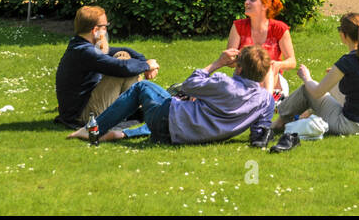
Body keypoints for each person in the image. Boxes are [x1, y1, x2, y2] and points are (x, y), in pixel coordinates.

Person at [68, 45, 276, 145]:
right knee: (172, 100)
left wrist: (218, 62)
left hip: (168, 123)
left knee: (143, 88)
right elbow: (260, 131)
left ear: (238, 68)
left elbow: (189, 85)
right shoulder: (266, 100)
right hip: (191, 135)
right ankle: (124, 133)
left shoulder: (224, 82)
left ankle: (93, 130)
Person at [273, 13, 359, 137]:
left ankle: (279, 122)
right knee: (333, 85)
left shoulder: (347, 61)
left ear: (344, 35)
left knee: (307, 90)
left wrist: (306, 77)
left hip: (354, 125)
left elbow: (316, 92)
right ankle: (305, 113)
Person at [55, 6, 160, 129]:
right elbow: (123, 68)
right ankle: (146, 106)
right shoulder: (84, 51)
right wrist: (147, 65)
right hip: (81, 115)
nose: (106, 30)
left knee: (123, 55)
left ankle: (141, 105)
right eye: (104, 26)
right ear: (95, 30)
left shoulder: (82, 44)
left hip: (84, 105)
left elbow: (124, 50)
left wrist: (145, 62)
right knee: (123, 66)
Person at [225, 0, 296, 99]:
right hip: (244, 79)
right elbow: (230, 62)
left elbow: (292, 61)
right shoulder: (238, 26)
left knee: (268, 69)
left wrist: (278, 64)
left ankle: (269, 98)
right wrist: (240, 60)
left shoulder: (279, 28)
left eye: (252, 0)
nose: (246, 2)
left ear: (265, 5)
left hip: (272, 79)